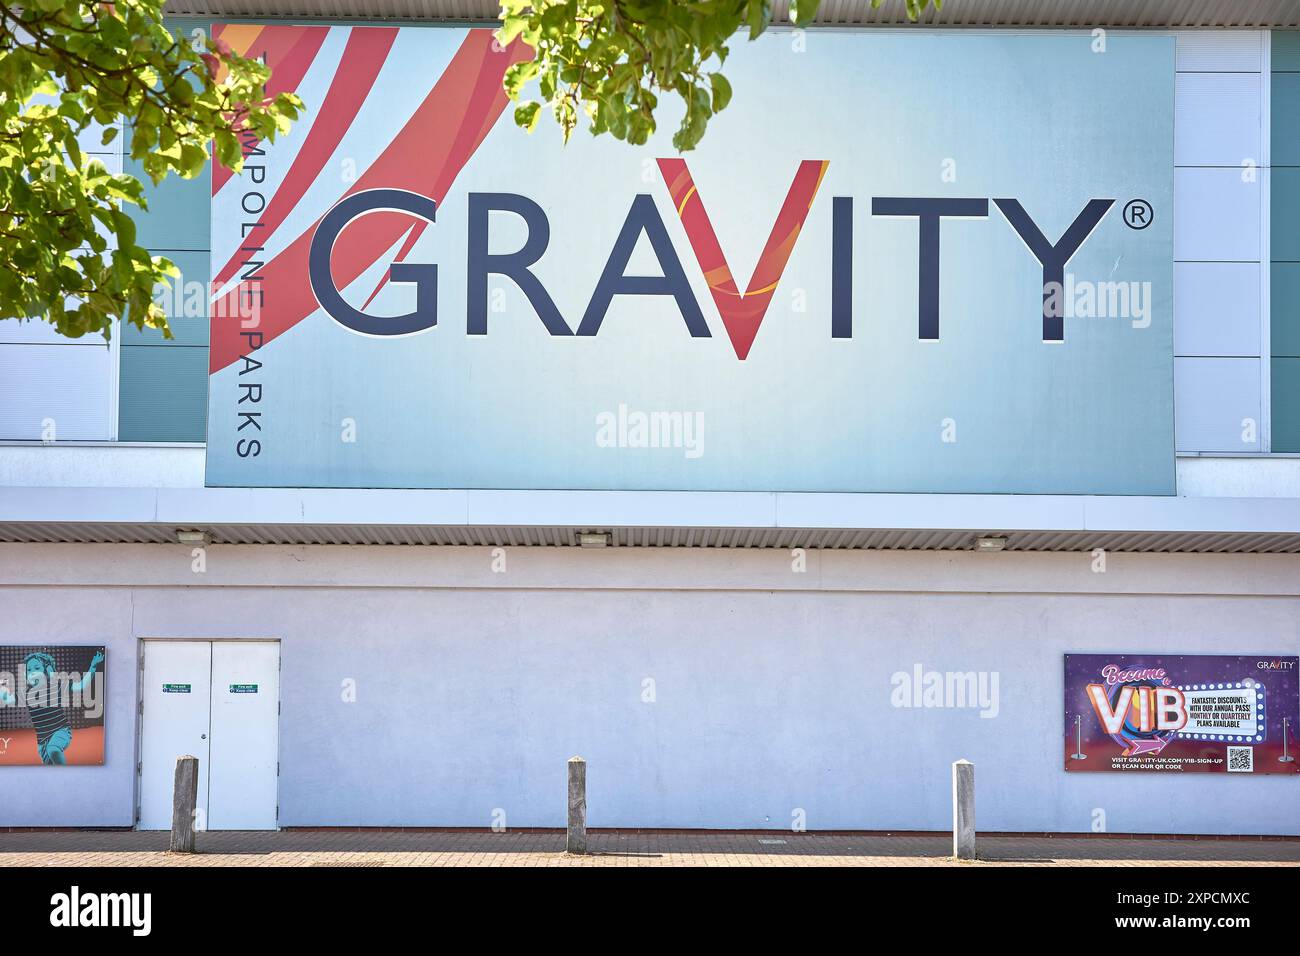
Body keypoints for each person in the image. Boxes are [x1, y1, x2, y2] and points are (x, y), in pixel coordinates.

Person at [0, 650, 103, 764]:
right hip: (42, 741)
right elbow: (8, 699)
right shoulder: (25, 693)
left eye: (37, 668)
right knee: (50, 764)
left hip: (61, 731)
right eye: (29, 670)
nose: (33, 672)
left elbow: (81, 685)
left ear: (47, 670)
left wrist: (92, 667)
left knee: (53, 749)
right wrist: (2, 689)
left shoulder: (56, 686)